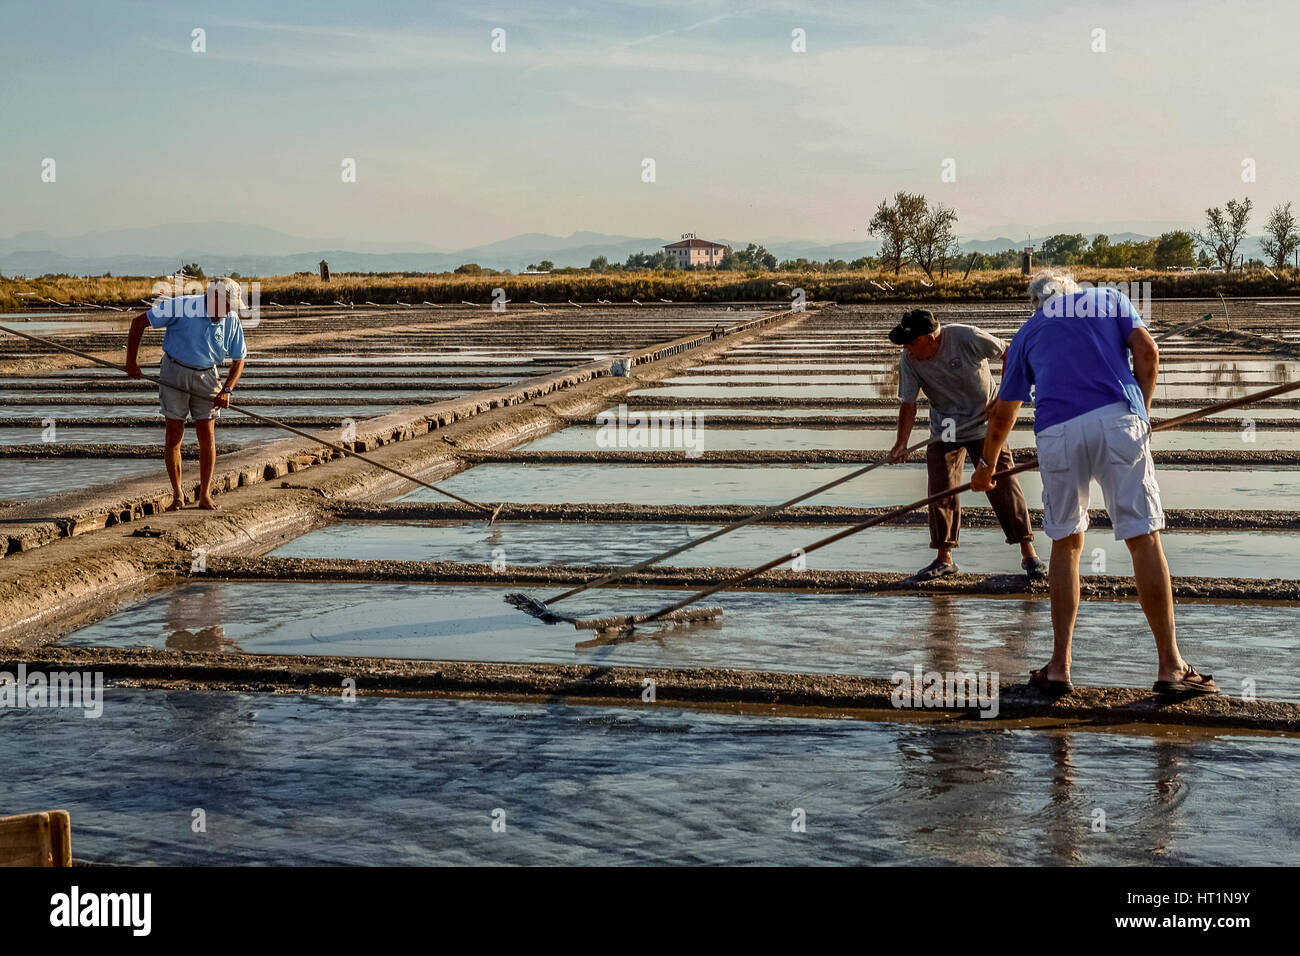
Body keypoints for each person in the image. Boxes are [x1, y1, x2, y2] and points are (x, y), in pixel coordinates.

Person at [972, 271, 1218, 697]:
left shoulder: (1028, 331)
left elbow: (1005, 411)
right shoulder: (1108, 298)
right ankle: (1170, 665)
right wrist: (1141, 412)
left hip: (1058, 434)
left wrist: (987, 466)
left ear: (1037, 304)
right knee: (1143, 538)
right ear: (1073, 289)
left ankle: (1059, 666)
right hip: (1117, 419)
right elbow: (1148, 353)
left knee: (1066, 542)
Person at [887, 308, 1045, 582]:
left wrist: (1003, 397)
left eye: (912, 342)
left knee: (1002, 482)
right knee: (941, 489)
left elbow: (1009, 352)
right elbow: (908, 403)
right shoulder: (909, 359)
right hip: (945, 427)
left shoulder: (965, 336)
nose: (908, 349)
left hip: (985, 422)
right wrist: (901, 443)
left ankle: (1029, 554)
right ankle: (944, 558)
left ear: (931, 337)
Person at [124, 277, 248, 511]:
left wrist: (227, 389)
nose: (231, 310)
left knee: (206, 434)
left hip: (207, 374)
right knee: (174, 434)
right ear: (214, 298)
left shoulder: (231, 319)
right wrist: (131, 362)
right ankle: (178, 495)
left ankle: (205, 495)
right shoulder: (182, 306)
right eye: (227, 304)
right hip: (175, 370)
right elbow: (138, 323)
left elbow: (239, 358)